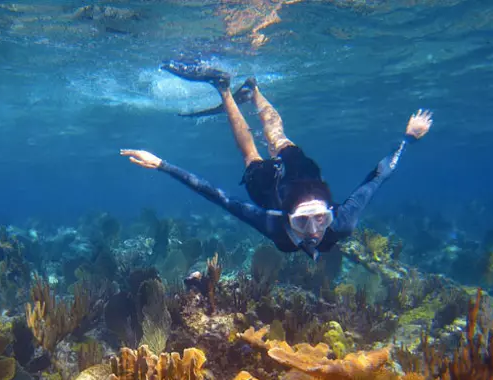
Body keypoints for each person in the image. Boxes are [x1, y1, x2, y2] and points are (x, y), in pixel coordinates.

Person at [120, 60, 433, 260]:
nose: (313, 230)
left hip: (295, 184)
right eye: (305, 221)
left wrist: (162, 164)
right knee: (262, 149)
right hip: (285, 188)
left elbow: (379, 177)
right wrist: (160, 165)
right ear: (287, 217)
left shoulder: (292, 225)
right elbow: (378, 176)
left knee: (269, 144)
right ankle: (228, 90)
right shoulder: (302, 223)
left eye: (320, 219)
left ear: (329, 211)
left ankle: (244, 91)